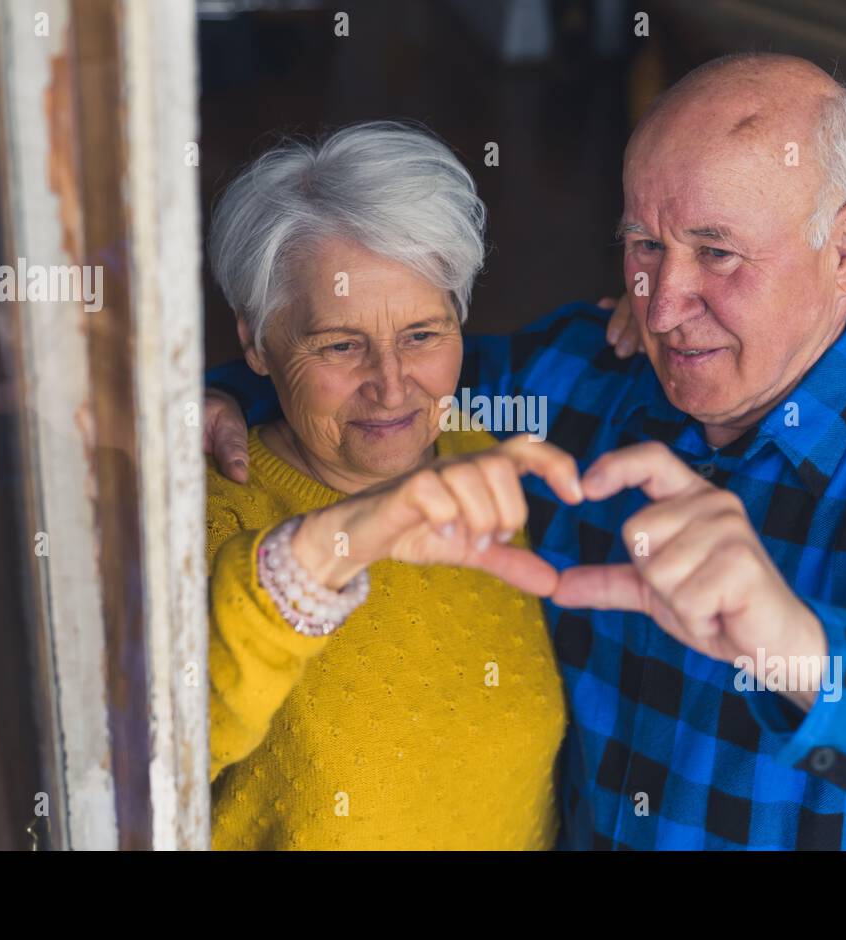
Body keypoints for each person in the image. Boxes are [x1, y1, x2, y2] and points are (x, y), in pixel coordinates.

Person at [204, 54, 846, 849]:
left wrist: (799, 648)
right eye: (644, 246)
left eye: (716, 252)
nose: (661, 308)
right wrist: (194, 405)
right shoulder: (584, 378)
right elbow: (378, 389)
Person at [203, 121, 587, 849]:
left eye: (423, 335)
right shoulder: (204, 505)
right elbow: (148, 748)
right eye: (341, 344)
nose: (391, 387)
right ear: (254, 340)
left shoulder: (489, 456)